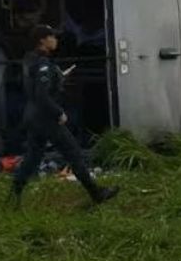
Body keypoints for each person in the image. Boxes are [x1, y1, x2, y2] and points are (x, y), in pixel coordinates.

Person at [11, 25, 119, 206]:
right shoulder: (43, 64)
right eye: (52, 36)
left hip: (33, 117)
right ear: (43, 40)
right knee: (74, 154)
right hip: (46, 118)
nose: (56, 39)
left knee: (32, 158)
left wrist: (60, 77)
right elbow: (42, 95)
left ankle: (14, 196)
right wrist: (58, 112)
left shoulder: (31, 60)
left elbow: (36, 86)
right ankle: (97, 194)